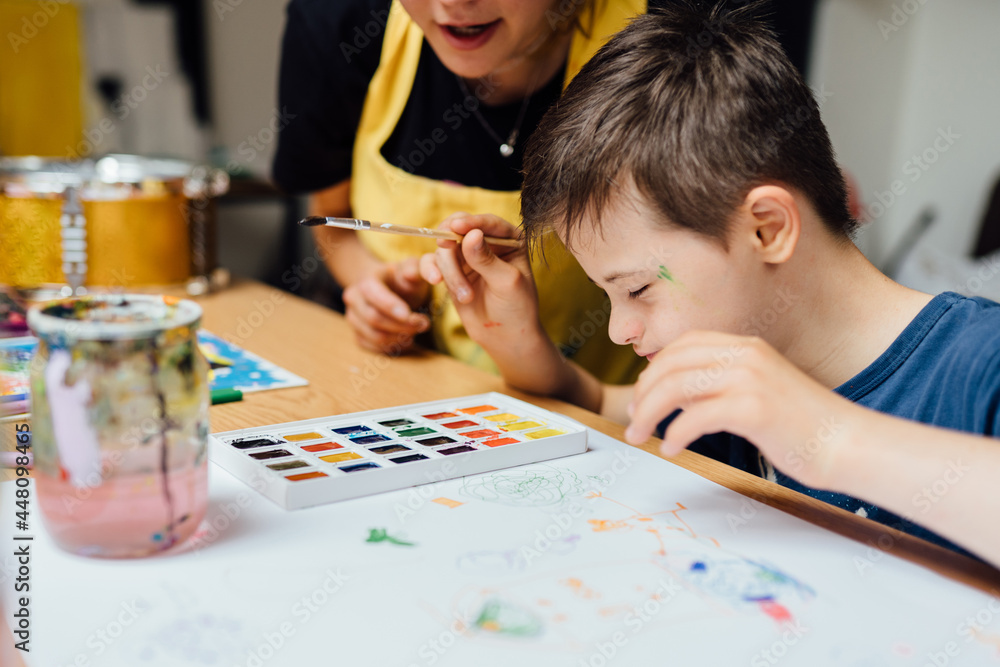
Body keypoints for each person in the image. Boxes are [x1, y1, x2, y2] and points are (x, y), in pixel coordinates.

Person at [418, 2, 1000, 566]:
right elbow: (600, 404)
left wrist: (826, 440)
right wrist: (520, 345)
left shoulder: (979, 366)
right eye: (609, 296)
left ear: (767, 229)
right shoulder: (727, 379)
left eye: (639, 289)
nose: (620, 330)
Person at [271, 0, 656, 384]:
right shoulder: (339, 22)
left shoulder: (671, 28)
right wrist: (373, 287)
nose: (453, 3)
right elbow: (332, 219)